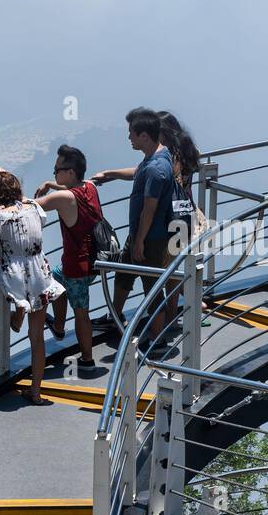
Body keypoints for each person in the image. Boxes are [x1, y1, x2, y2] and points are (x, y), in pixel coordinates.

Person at [91, 108, 176, 338]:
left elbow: (150, 209)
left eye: (132, 133)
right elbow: (138, 172)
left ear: (144, 136)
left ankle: (156, 339)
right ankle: (114, 316)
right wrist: (110, 174)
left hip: (151, 238)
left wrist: (139, 241)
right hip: (140, 234)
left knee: (153, 289)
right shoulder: (156, 156)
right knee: (124, 273)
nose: (129, 137)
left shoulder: (158, 169)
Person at [0, 169, 63, 405]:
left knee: (15, 295)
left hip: (14, 271)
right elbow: (39, 217)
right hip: (39, 270)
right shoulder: (33, 206)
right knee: (37, 338)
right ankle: (36, 391)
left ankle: (19, 308)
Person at [32, 145, 103, 373]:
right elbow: (67, 188)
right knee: (53, 280)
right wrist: (51, 184)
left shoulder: (65, 197)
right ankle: (60, 328)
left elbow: (32, 206)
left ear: (70, 172)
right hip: (95, 260)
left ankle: (87, 360)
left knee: (81, 312)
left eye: (57, 171)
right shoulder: (90, 187)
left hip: (77, 267)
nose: (55, 174)